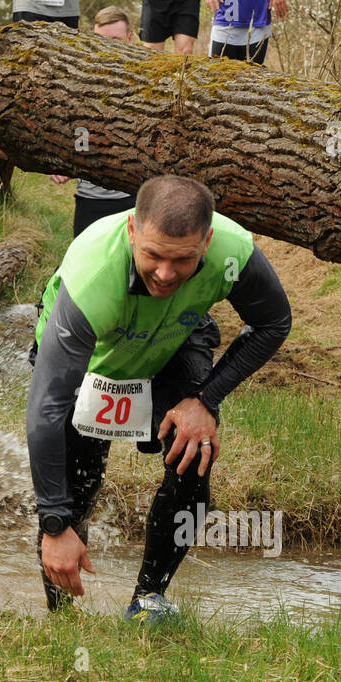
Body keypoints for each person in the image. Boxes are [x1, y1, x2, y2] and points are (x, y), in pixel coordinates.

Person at [27, 175, 290, 624]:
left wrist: (205, 400)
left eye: (183, 259)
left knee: (194, 452)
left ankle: (148, 599)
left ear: (205, 242)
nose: (165, 274)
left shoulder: (233, 251)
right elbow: (45, 410)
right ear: (132, 230)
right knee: (76, 491)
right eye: (152, 255)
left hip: (174, 341)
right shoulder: (93, 276)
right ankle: (61, 614)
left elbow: (273, 323)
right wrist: (54, 524)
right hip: (94, 361)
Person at [49, 7, 138, 237]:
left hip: (133, 201)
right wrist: (64, 161)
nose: (108, 48)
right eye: (101, 41)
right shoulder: (78, 83)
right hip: (90, 201)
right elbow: (70, 133)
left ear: (129, 38)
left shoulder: (145, 86)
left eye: (116, 40)